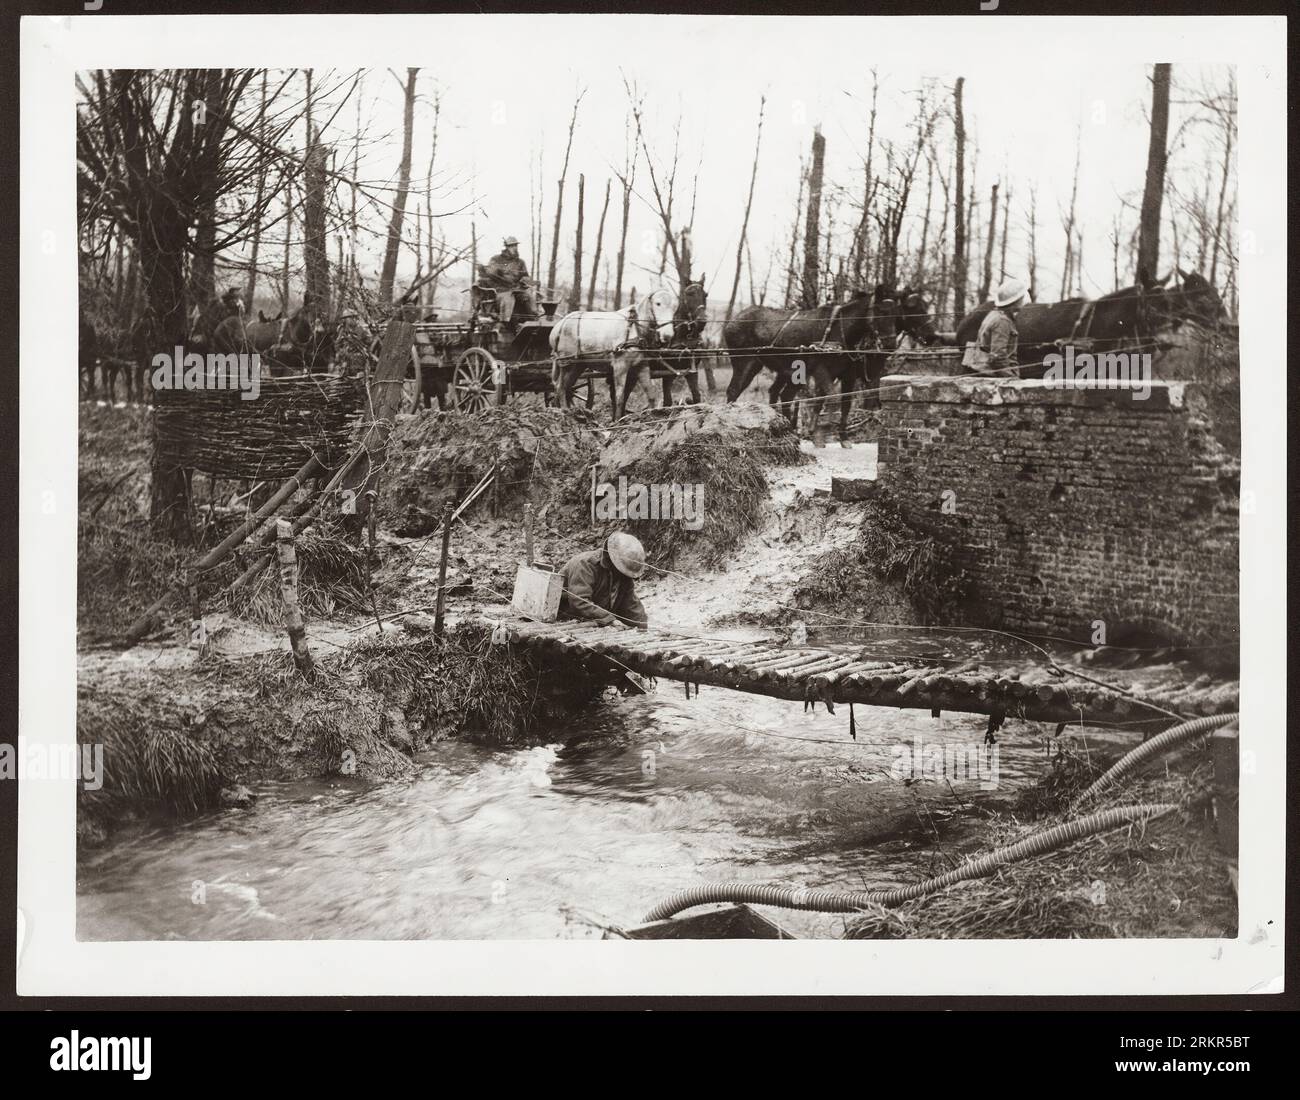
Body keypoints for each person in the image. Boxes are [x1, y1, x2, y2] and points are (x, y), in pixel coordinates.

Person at [558, 532, 649, 629]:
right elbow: (579, 602)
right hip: (567, 618)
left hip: (597, 619)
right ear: (611, 559)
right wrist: (610, 620)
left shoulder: (622, 575)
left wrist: (643, 626)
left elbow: (631, 606)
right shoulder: (585, 565)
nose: (624, 576)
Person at [965, 277, 1030, 375]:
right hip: (990, 375)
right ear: (1014, 302)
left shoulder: (994, 314)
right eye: (1021, 298)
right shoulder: (1002, 321)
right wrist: (1012, 379)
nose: (1023, 301)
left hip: (984, 370)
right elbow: (998, 357)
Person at [480, 236, 537, 322]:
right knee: (508, 299)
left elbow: (525, 276)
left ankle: (532, 321)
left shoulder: (520, 262)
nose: (514, 248)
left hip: (516, 289)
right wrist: (490, 271)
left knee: (529, 297)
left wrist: (525, 281)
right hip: (501, 291)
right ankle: (505, 322)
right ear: (506, 247)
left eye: (515, 246)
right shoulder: (496, 259)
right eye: (512, 246)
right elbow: (489, 275)